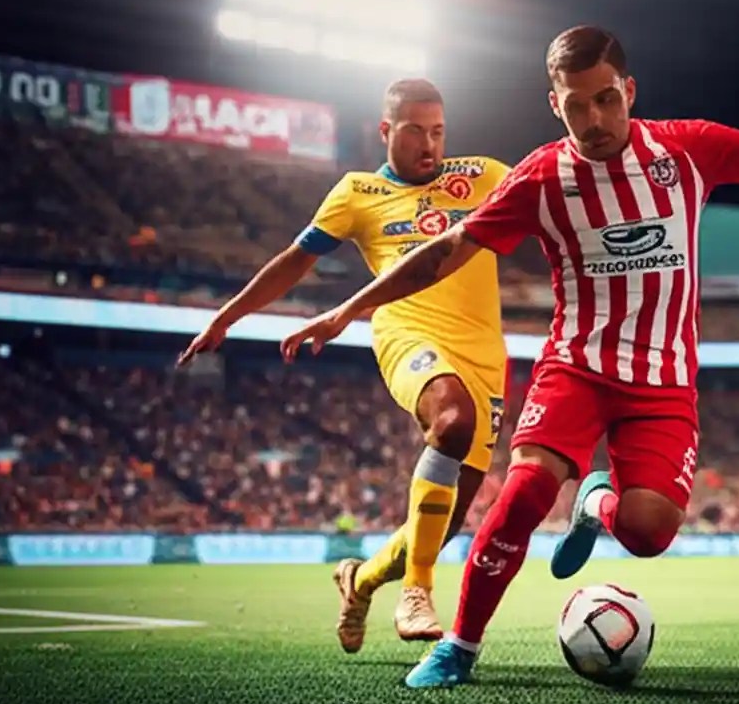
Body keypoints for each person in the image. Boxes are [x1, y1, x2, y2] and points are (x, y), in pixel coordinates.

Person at [280, 25, 739, 688]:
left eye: (605, 100)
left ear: (629, 92)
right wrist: (348, 309)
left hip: (662, 383)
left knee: (649, 535)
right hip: (577, 367)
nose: (593, 121)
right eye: (574, 107)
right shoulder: (538, 177)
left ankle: (597, 499)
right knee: (525, 492)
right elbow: (445, 251)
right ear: (553, 104)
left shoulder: (686, 148)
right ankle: (459, 645)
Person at [179, 78, 512, 648]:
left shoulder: (483, 174)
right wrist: (226, 318)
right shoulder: (357, 192)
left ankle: (360, 580)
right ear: (386, 131)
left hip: (486, 352)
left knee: (446, 521)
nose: (428, 144)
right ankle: (417, 592)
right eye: (413, 132)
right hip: (408, 332)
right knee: (452, 422)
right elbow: (294, 260)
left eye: (437, 131)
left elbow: (555, 191)